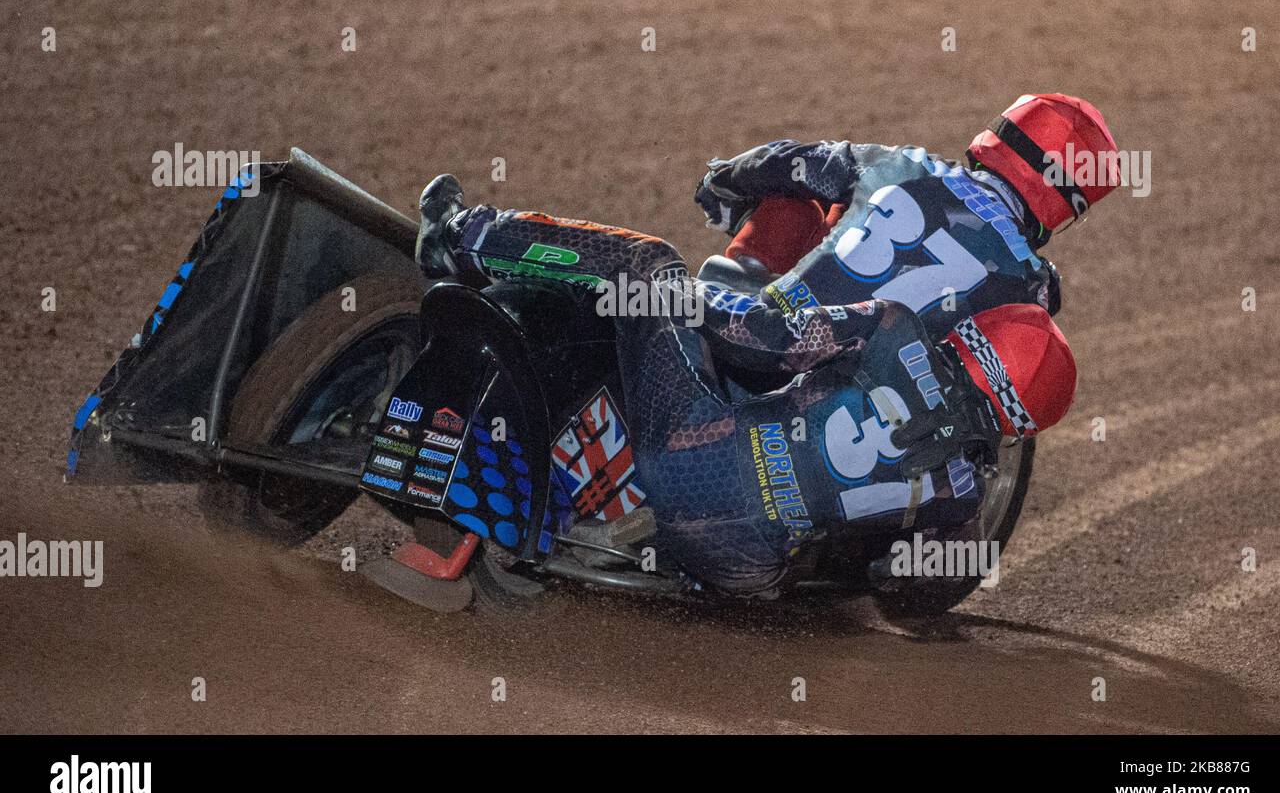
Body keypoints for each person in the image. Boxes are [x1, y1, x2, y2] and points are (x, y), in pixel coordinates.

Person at [416, 175, 1076, 595]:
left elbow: (762, 339)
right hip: (745, 566)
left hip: (688, 463)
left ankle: (459, 238)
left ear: (981, 337)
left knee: (649, 263)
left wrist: (690, 301)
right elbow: (885, 575)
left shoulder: (894, 331)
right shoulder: (963, 491)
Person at [693, 93, 1119, 341]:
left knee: (803, 203)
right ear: (1065, 203)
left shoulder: (906, 165)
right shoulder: (1034, 284)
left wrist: (724, 183)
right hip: (845, 403)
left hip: (761, 325)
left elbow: (788, 162)